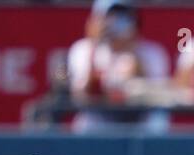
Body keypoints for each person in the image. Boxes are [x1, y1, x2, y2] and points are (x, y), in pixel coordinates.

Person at [66, 0, 170, 132]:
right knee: (87, 122)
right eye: (109, 17)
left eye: (123, 17)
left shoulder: (153, 52)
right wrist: (95, 45)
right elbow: (83, 94)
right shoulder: (83, 50)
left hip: (139, 127)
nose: (114, 24)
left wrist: (131, 50)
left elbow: (155, 98)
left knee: (157, 121)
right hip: (98, 127)